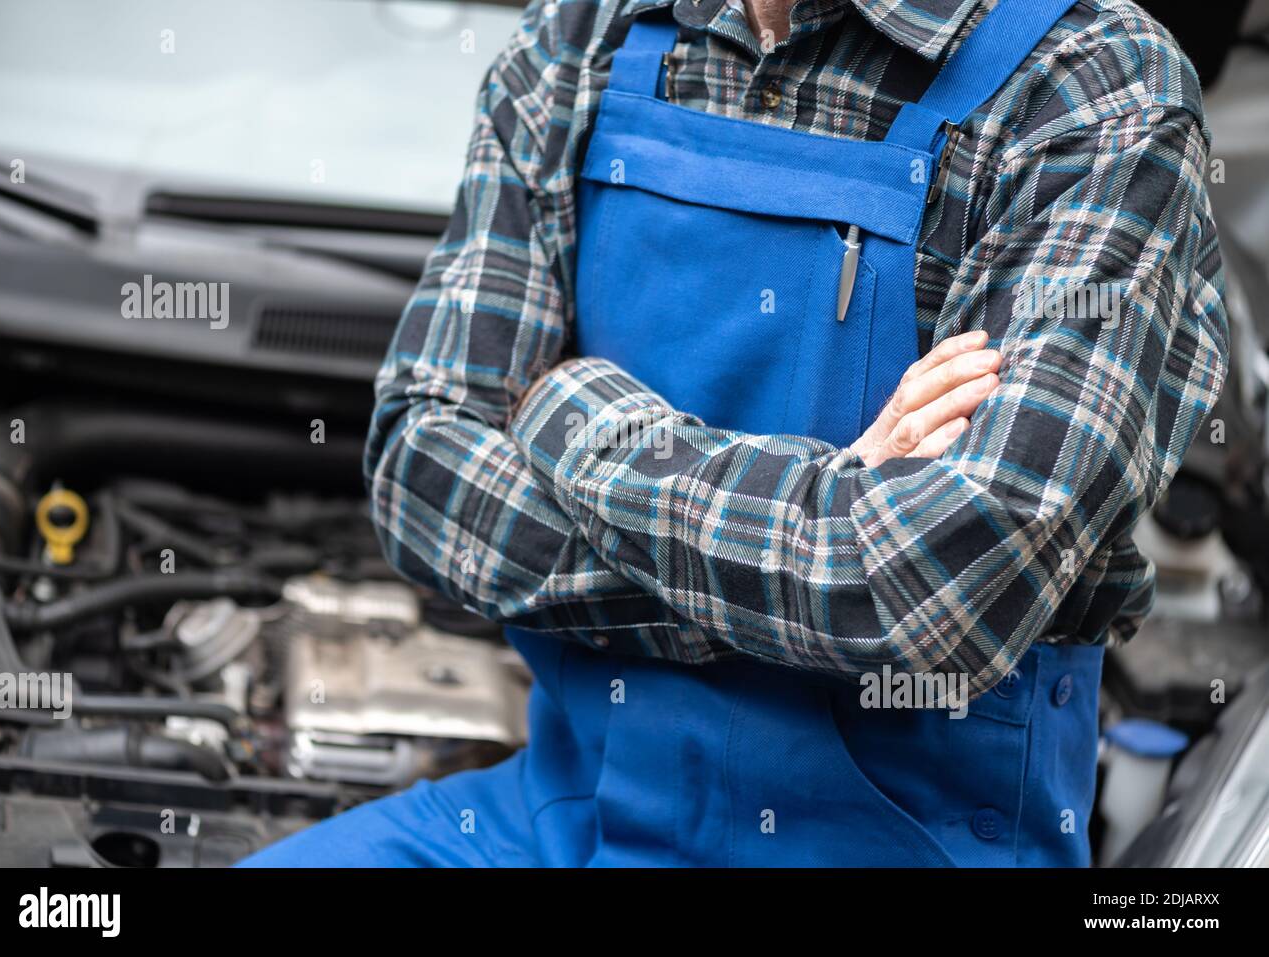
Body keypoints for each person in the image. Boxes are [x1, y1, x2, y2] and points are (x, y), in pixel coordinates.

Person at [242, 0, 1227, 867]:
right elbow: (421, 473)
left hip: (900, 845)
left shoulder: (1094, 90)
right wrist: (830, 528)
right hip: (562, 818)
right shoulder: (579, 39)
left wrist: (569, 416)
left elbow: (930, 592)